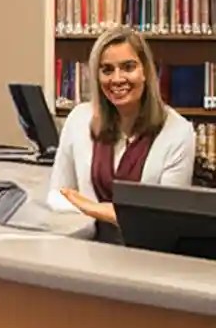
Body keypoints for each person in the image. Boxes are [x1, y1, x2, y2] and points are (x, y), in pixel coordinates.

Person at [49, 27, 195, 243]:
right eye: (107, 70)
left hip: (148, 258)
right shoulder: (79, 119)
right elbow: (57, 195)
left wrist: (93, 208)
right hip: (86, 252)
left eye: (128, 67)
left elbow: (166, 220)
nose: (117, 79)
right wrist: (107, 213)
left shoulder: (178, 132)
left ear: (145, 71)